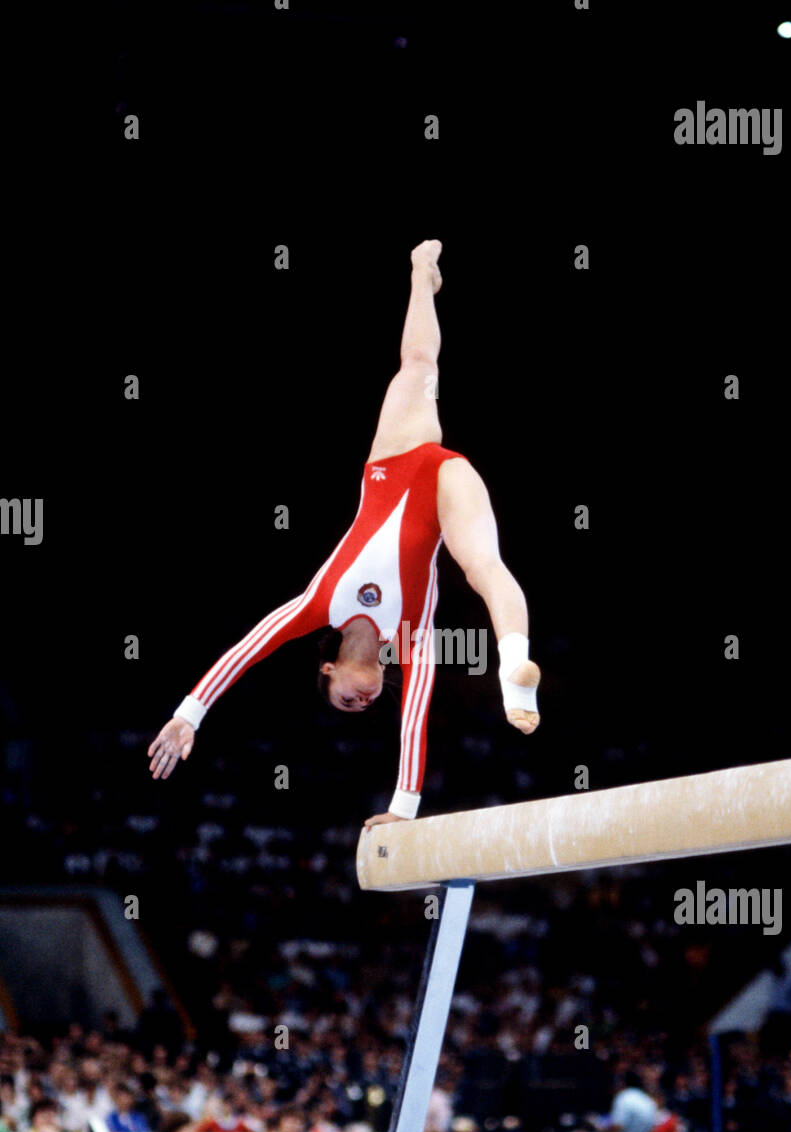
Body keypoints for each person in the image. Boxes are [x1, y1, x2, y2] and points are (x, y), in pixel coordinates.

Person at [147, 241, 540, 825]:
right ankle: (515, 670)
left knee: (418, 367)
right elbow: (415, 715)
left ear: (327, 669)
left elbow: (244, 651)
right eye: (362, 708)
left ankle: (419, 276)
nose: (363, 704)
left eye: (346, 700)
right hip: (444, 494)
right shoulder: (408, 640)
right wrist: (404, 809)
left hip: (398, 456)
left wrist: (189, 714)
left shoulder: (317, 605)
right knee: (483, 569)